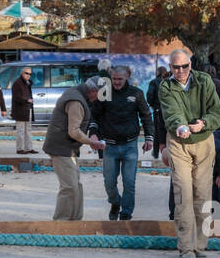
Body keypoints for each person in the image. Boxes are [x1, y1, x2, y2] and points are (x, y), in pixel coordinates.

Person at [159, 47, 220, 258]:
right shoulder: (165, 86)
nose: (180, 71)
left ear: (190, 65)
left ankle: (200, 245)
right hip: (178, 142)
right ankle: (186, 246)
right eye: (176, 67)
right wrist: (180, 126)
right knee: (183, 193)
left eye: (184, 66)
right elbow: (170, 111)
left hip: (204, 140)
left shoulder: (205, 81)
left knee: (203, 193)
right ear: (170, 68)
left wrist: (204, 123)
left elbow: (216, 110)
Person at [91, 65, 153, 220]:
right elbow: (94, 117)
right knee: (109, 183)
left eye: (120, 79)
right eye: (114, 79)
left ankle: (126, 213)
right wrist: (93, 135)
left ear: (127, 77)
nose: (117, 82)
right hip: (109, 146)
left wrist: (149, 137)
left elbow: (146, 116)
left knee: (129, 183)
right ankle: (115, 202)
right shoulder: (104, 93)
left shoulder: (136, 94)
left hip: (130, 146)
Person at [44, 77, 106, 220]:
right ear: (93, 91)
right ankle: (61, 222)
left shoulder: (77, 94)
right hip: (61, 148)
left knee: (76, 185)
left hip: (67, 147)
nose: (98, 98)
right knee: (69, 187)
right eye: (99, 94)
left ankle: (76, 220)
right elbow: (74, 131)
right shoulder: (76, 102)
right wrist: (91, 141)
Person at [146, 65, 169, 158]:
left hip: (158, 110)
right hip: (168, 110)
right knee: (167, 131)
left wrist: (153, 105)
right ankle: (167, 152)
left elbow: (149, 96)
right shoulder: (169, 82)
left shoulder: (154, 82)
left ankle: (156, 153)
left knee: (157, 130)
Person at [12, 65, 36, 153]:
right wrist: (27, 100)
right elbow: (16, 98)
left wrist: (28, 101)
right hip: (20, 110)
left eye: (30, 74)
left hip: (27, 109)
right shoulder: (17, 83)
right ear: (22, 73)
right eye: (26, 73)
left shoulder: (27, 83)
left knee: (28, 130)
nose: (28, 75)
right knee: (21, 130)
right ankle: (20, 148)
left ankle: (28, 148)